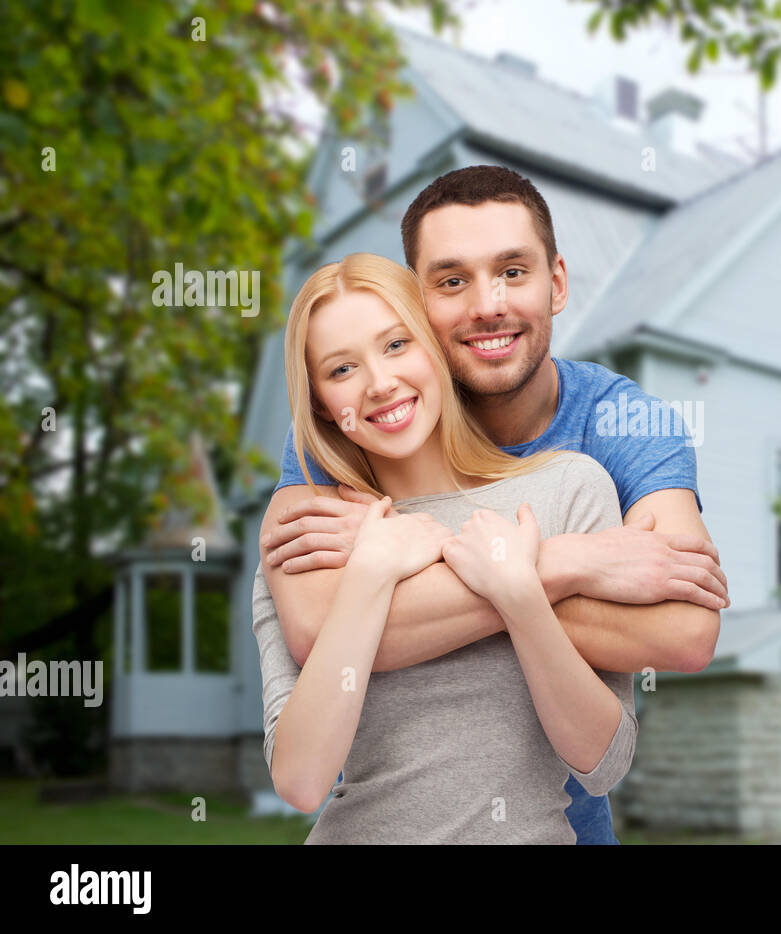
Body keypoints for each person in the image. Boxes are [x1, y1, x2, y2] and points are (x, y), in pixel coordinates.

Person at [258, 165, 728, 844]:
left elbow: (682, 630)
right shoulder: (332, 456)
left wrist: (474, 586)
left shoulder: (609, 439)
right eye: (452, 281)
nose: (487, 305)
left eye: (513, 271)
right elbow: (310, 629)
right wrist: (558, 564)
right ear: (419, 303)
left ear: (557, 283)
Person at [253, 251, 634, 843]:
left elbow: (603, 763)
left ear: (434, 347)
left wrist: (520, 593)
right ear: (323, 407)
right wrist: (372, 571)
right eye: (341, 369)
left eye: (396, 344)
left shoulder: (567, 490)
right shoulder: (313, 537)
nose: (380, 383)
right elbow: (301, 780)